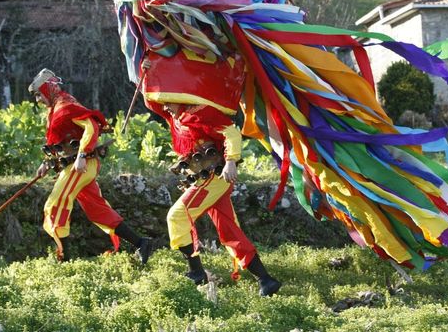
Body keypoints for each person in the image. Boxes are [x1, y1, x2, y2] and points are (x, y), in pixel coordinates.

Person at [141, 58, 281, 296]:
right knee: (229, 231)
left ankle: (196, 272)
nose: (163, 105)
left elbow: (231, 132)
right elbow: (152, 103)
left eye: (167, 98)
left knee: (177, 216)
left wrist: (230, 161)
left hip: (215, 178)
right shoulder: (174, 115)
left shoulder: (201, 112)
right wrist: (146, 76)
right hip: (204, 178)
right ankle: (266, 280)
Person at [29, 68, 152, 263]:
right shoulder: (54, 109)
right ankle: (141, 243)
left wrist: (82, 155)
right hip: (75, 165)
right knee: (98, 211)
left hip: (80, 166)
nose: (38, 100)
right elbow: (58, 141)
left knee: (55, 204)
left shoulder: (66, 105)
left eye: (39, 94)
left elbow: (91, 126)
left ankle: (64, 259)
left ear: (48, 89)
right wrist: (47, 162)